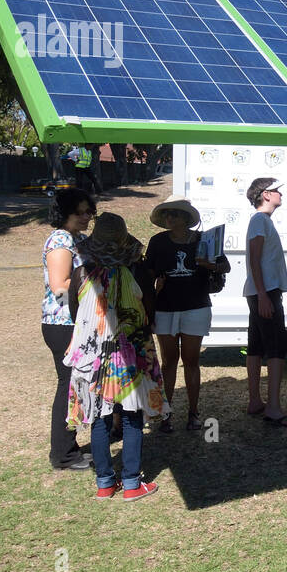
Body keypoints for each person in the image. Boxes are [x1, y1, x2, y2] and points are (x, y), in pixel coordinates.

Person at [65, 213, 169, 500]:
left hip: (92, 357)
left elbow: (76, 315)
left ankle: (105, 483)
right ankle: (133, 483)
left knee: (98, 416)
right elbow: (149, 310)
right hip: (131, 350)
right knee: (131, 416)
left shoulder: (81, 273)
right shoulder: (137, 272)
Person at [146, 196, 224, 434]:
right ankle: (166, 415)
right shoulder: (157, 242)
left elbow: (225, 266)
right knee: (169, 362)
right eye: (167, 214)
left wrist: (209, 265)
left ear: (187, 218)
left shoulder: (204, 239)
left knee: (191, 361)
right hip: (165, 307)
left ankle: (193, 413)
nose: (169, 218)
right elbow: (147, 272)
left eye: (175, 214)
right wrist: (153, 285)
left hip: (196, 306)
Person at [41, 188, 96, 471]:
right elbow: (60, 286)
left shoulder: (80, 239)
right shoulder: (60, 240)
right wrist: (94, 287)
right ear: (65, 213)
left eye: (89, 211)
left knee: (77, 384)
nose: (87, 216)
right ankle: (62, 454)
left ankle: (69, 446)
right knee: (68, 385)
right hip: (62, 323)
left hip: (80, 322)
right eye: (80, 212)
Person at [243, 177, 287, 427]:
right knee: (276, 346)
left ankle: (255, 401)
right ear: (266, 194)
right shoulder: (259, 221)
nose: (280, 194)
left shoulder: (262, 221)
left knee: (255, 345)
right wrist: (264, 296)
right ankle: (273, 408)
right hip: (264, 292)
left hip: (259, 292)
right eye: (277, 190)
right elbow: (255, 260)